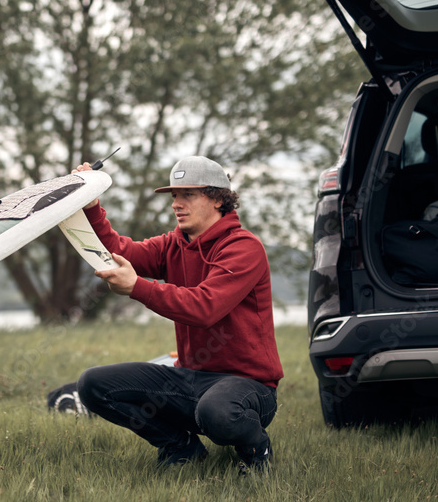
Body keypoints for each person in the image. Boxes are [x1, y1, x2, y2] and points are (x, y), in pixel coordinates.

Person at [72, 156, 283, 473]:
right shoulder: (173, 244)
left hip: (248, 386)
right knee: (93, 384)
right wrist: (91, 205)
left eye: (188, 195)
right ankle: (181, 448)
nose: (177, 204)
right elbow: (118, 252)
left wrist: (138, 287)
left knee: (218, 412)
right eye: (174, 196)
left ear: (217, 198)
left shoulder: (243, 248)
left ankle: (257, 451)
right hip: (191, 379)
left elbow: (205, 307)